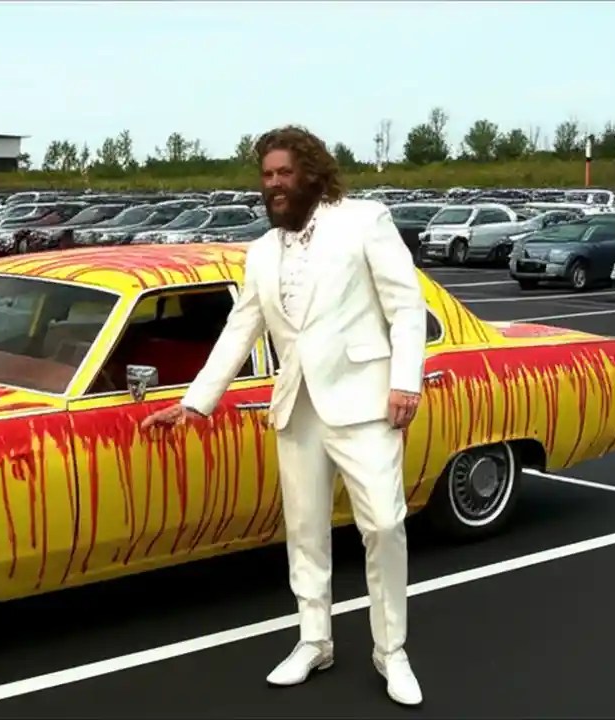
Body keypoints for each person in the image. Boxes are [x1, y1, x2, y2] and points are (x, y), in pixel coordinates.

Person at [140, 125, 427, 706]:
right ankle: (314, 640)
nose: (273, 185)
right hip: (296, 407)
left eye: (283, 173)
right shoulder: (263, 250)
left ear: (311, 173)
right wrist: (196, 401)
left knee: (384, 525)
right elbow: (240, 328)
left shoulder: (362, 221)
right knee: (304, 531)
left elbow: (406, 304)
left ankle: (390, 651)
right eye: (266, 176)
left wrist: (405, 383)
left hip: (365, 401)